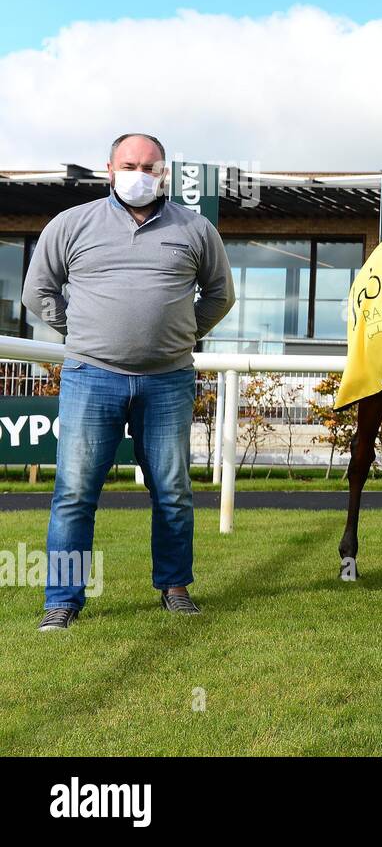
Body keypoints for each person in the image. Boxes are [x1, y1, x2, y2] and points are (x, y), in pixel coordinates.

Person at [23, 133, 235, 630]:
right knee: (75, 492)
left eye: (149, 165)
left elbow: (220, 295)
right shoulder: (71, 223)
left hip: (168, 381)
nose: (139, 173)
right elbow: (38, 290)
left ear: (164, 172)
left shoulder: (196, 228)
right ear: (109, 168)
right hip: (90, 377)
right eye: (129, 164)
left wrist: (182, 333)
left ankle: (175, 588)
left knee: (173, 490)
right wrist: (80, 331)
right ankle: (63, 601)